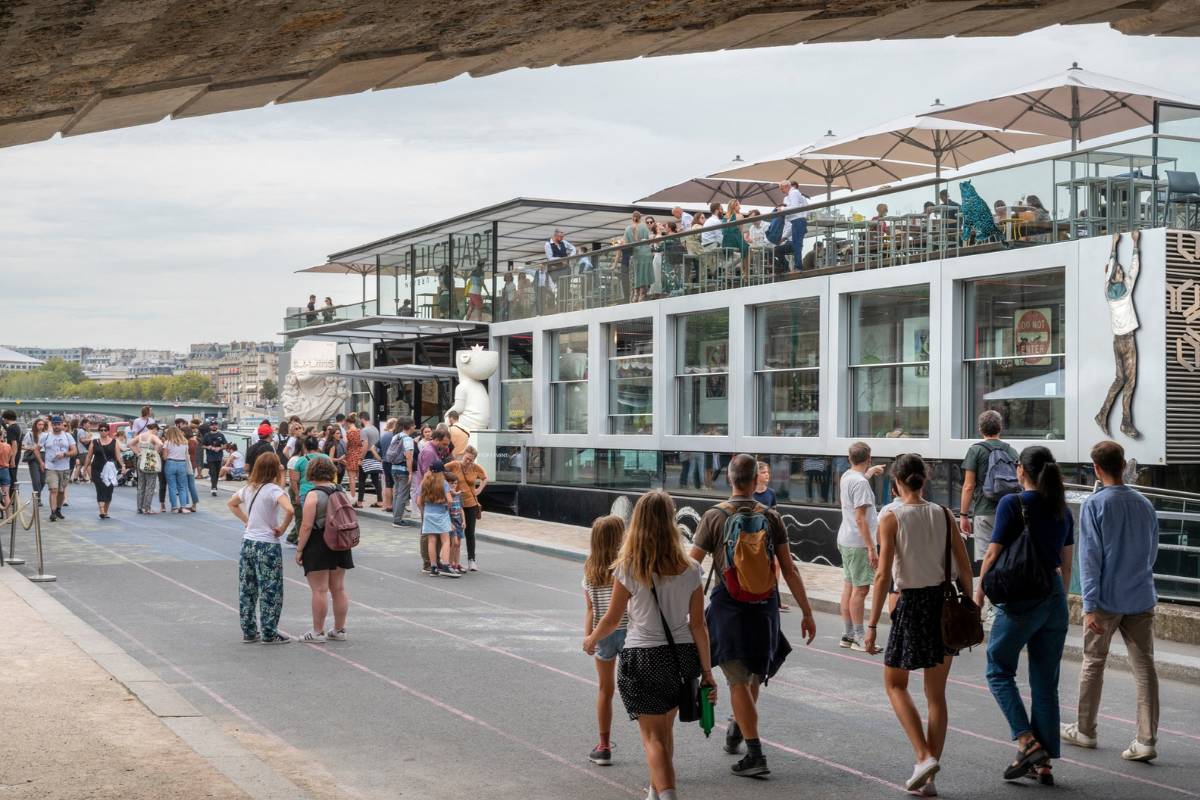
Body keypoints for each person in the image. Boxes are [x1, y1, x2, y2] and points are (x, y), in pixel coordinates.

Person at [689, 454, 816, 778]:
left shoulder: (714, 517)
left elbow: (691, 567)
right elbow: (788, 569)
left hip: (729, 607)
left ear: (730, 480)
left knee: (736, 679)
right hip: (765, 606)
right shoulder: (771, 516)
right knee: (754, 674)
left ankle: (755, 753)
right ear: (753, 481)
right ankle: (739, 727)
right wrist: (806, 611)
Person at [584, 491, 716, 800]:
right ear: (671, 521)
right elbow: (699, 625)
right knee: (665, 732)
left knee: (652, 737)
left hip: (643, 656)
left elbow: (613, 619)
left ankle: (667, 795)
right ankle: (655, 792)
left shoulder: (629, 567)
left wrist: (591, 639)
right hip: (682, 657)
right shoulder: (691, 567)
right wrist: (707, 671)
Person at [865, 454, 974, 795]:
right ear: (923, 480)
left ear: (896, 482)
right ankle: (929, 780)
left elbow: (883, 575)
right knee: (936, 695)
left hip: (911, 605)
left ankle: (923, 756)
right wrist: (969, 606)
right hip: (944, 605)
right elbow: (966, 567)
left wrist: (870, 624)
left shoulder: (891, 516)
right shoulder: (943, 514)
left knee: (895, 683)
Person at [976, 446, 1072, 785]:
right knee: (1046, 683)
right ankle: (1043, 764)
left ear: (1021, 471)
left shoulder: (1012, 503)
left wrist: (978, 593)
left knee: (998, 667)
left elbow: (992, 551)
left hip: (1021, 599)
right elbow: (1066, 563)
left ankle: (1026, 740)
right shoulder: (1062, 507)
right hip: (1054, 597)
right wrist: (1058, 597)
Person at [1061, 440, 1160, 763]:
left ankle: (1086, 729)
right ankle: (1146, 740)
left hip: (1105, 600)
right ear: (1123, 465)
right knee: (1144, 667)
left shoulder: (1095, 504)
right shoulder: (1145, 504)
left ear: (1097, 468)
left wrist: (1089, 606)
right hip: (1141, 596)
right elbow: (1152, 552)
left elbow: (1089, 559)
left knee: (1093, 662)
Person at [227, 452, 293, 645]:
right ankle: (269, 632)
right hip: (267, 544)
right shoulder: (274, 491)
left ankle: (248, 630)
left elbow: (231, 503)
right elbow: (289, 509)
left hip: (248, 542)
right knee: (270, 589)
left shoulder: (248, 489)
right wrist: (282, 528)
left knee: (247, 588)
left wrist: (246, 521)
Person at [581, 515, 628, 766]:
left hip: (603, 634)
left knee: (605, 689)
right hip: (630, 631)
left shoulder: (590, 567)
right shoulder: (627, 565)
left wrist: (588, 637)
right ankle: (651, 739)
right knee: (638, 689)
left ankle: (604, 744)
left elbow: (590, 608)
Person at [295, 456, 355, 642]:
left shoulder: (313, 495)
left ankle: (317, 631)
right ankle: (339, 629)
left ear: (311, 472)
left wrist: (299, 549)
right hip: (340, 540)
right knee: (338, 588)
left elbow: (306, 526)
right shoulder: (340, 490)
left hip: (319, 542)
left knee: (319, 590)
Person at [837, 443, 887, 651]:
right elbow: (861, 519)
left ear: (850, 458)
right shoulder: (860, 484)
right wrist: (871, 547)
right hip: (858, 543)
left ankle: (848, 635)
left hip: (845, 540)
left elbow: (858, 482)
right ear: (869, 457)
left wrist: (869, 473)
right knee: (861, 590)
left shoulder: (847, 476)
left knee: (849, 586)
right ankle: (858, 636)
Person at [960, 410, 1020, 569]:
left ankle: (986, 592)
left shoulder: (975, 451)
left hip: (984, 511)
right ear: (1000, 428)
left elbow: (968, 486)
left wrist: (964, 515)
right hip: (1009, 511)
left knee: (987, 559)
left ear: (980, 429)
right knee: (1007, 556)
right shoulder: (1011, 451)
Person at [444, 445, 487, 571]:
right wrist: (447, 489)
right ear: (464, 455)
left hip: (470, 503)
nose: (468, 462)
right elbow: (441, 472)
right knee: (454, 533)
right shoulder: (454, 464)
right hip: (456, 502)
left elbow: (485, 478)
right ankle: (451, 561)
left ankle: (471, 559)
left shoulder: (475, 468)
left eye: (471, 460)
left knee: (470, 532)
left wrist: (479, 489)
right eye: (467, 458)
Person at [418, 464, 458, 578]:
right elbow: (450, 500)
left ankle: (433, 567)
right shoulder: (443, 483)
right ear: (441, 472)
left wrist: (424, 512)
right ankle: (445, 566)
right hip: (441, 513)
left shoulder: (425, 483)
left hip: (428, 514)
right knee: (446, 540)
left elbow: (419, 502)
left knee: (431, 541)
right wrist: (446, 507)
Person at [40, 416, 77, 522]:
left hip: (64, 468)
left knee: (61, 491)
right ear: (52, 425)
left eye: (58, 424)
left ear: (62, 424)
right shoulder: (46, 436)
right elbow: (36, 449)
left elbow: (74, 451)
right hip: (50, 467)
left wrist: (65, 454)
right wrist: (41, 462)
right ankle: (52, 512)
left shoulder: (68, 436)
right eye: (54, 424)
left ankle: (58, 509)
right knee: (53, 490)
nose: (56, 426)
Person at [83, 423, 122, 519]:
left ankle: (106, 510)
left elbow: (118, 456)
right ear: (99, 431)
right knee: (100, 488)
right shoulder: (94, 442)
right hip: (97, 468)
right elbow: (89, 456)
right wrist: (85, 467)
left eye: (105, 430)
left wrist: (123, 466)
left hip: (111, 470)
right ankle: (101, 510)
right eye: (101, 430)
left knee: (109, 489)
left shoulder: (114, 442)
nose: (103, 432)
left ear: (108, 431)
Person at [387, 417, 416, 528]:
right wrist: (410, 472)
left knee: (397, 494)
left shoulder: (395, 436)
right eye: (413, 425)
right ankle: (398, 520)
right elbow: (408, 456)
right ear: (408, 426)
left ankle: (396, 517)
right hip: (403, 470)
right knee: (402, 495)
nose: (414, 427)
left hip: (394, 468)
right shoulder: (408, 439)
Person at [162, 426, 196, 513]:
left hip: (170, 463)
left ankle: (174, 507)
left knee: (172, 486)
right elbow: (186, 455)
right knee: (182, 487)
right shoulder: (185, 442)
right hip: (182, 464)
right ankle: (183, 507)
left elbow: (165, 457)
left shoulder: (167, 442)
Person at [131, 422, 163, 513]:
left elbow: (130, 444)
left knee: (141, 484)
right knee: (150, 484)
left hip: (141, 459)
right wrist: (155, 452)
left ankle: (139, 507)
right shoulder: (153, 436)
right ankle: (147, 507)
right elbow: (160, 444)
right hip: (150, 460)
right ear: (155, 429)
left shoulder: (140, 436)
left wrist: (138, 453)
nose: (157, 432)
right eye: (157, 430)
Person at [780, 180, 810, 271]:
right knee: (797, 244)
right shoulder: (795, 195)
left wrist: (782, 209)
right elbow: (805, 210)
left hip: (798, 220)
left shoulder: (793, 193)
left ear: (786, 186)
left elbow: (794, 207)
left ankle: (798, 267)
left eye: (781, 188)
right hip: (798, 220)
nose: (781, 191)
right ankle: (797, 266)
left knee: (797, 244)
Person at [21, 417, 48, 505]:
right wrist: (31, 447)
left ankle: (36, 495)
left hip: (45, 456)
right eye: (39, 424)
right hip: (33, 457)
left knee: (43, 480)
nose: (41, 426)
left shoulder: (46, 435)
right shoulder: (30, 434)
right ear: (35, 425)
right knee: (36, 479)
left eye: (42, 424)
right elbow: (23, 446)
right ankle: (38, 499)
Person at [202, 422, 227, 496]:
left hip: (219, 456)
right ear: (210, 427)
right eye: (212, 425)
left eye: (215, 425)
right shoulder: (207, 435)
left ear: (217, 426)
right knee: (212, 472)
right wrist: (208, 447)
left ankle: (215, 486)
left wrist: (220, 448)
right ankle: (213, 487)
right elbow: (202, 445)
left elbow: (225, 445)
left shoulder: (221, 435)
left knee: (217, 472)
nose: (214, 426)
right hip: (210, 456)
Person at [3, 410, 21, 488]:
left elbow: (14, 444)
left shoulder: (11, 428)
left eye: (4, 418)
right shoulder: (17, 427)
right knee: (13, 474)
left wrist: (12, 458)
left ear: (7, 418)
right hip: (17, 453)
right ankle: (14, 495)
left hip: (13, 454)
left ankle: (11, 496)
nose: (3, 420)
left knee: (11, 475)